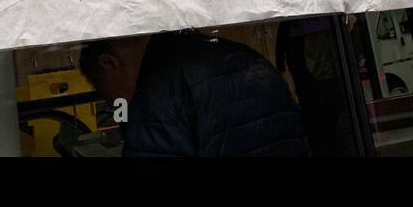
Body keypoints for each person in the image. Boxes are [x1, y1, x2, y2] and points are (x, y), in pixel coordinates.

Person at [79, 31, 310, 156]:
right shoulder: (248, 57)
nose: (120, 104)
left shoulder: (154, 94)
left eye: (111, 98)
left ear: (108, 64)